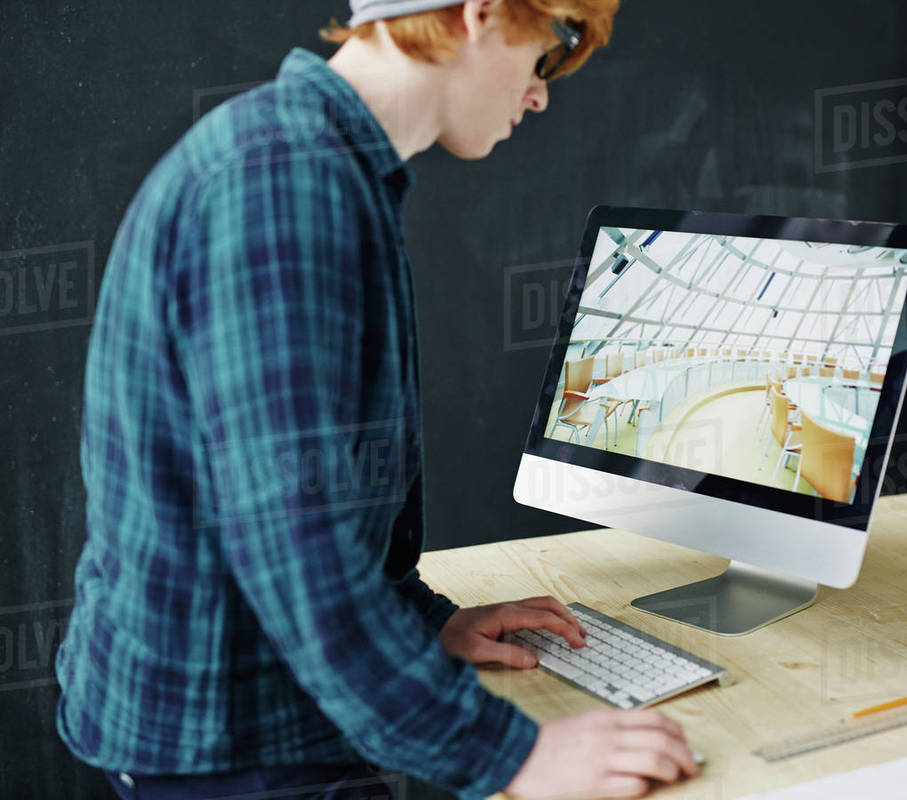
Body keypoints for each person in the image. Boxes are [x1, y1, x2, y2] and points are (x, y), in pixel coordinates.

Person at [53, 1, 698, 798]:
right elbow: (296, 550)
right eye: (553, 52)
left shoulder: (321, 165)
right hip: (235, 748)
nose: (540, 94)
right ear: (483, 13)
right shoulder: (284, 184)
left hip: (258, 721)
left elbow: (312, 491)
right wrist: (516, 757)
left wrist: (425, 623)